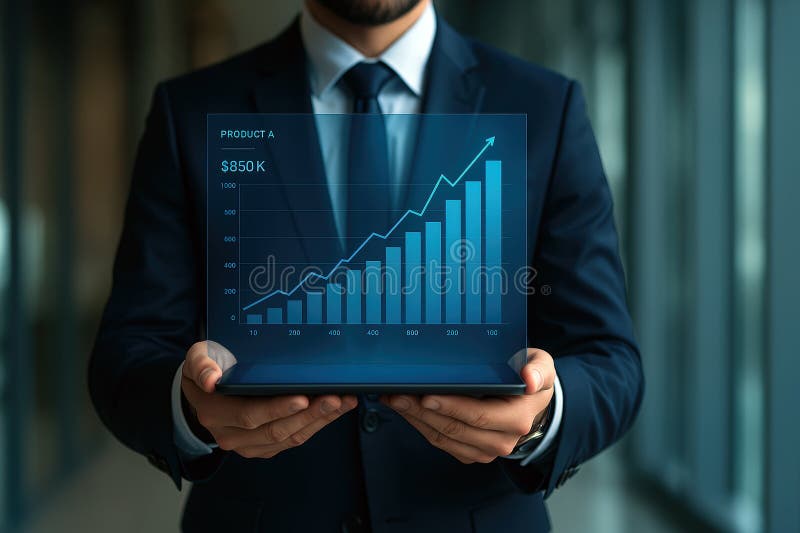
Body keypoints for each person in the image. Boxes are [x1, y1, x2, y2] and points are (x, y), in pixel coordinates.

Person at [89, 1, 643, 531]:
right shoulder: (192, 110)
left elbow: (609, 357)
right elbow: (127, 350)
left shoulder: (546, 105)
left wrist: (544, 416)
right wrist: (190, 408)